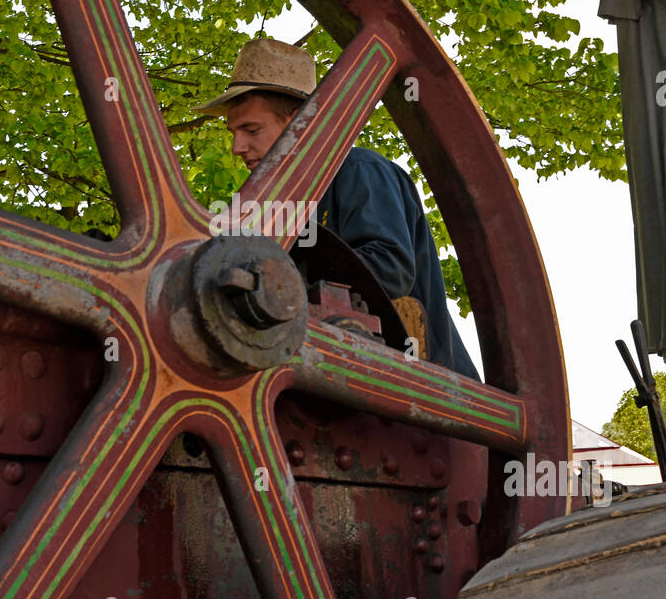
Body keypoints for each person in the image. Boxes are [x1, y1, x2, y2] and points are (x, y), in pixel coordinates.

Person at [196, 37, 480, 378]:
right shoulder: (269, 211)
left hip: (418, 386)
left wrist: (276, 288)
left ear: (298, 124)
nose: (237, 147)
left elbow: (390, 268)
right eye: (233, 132)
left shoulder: (360, 171)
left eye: (251, 130)